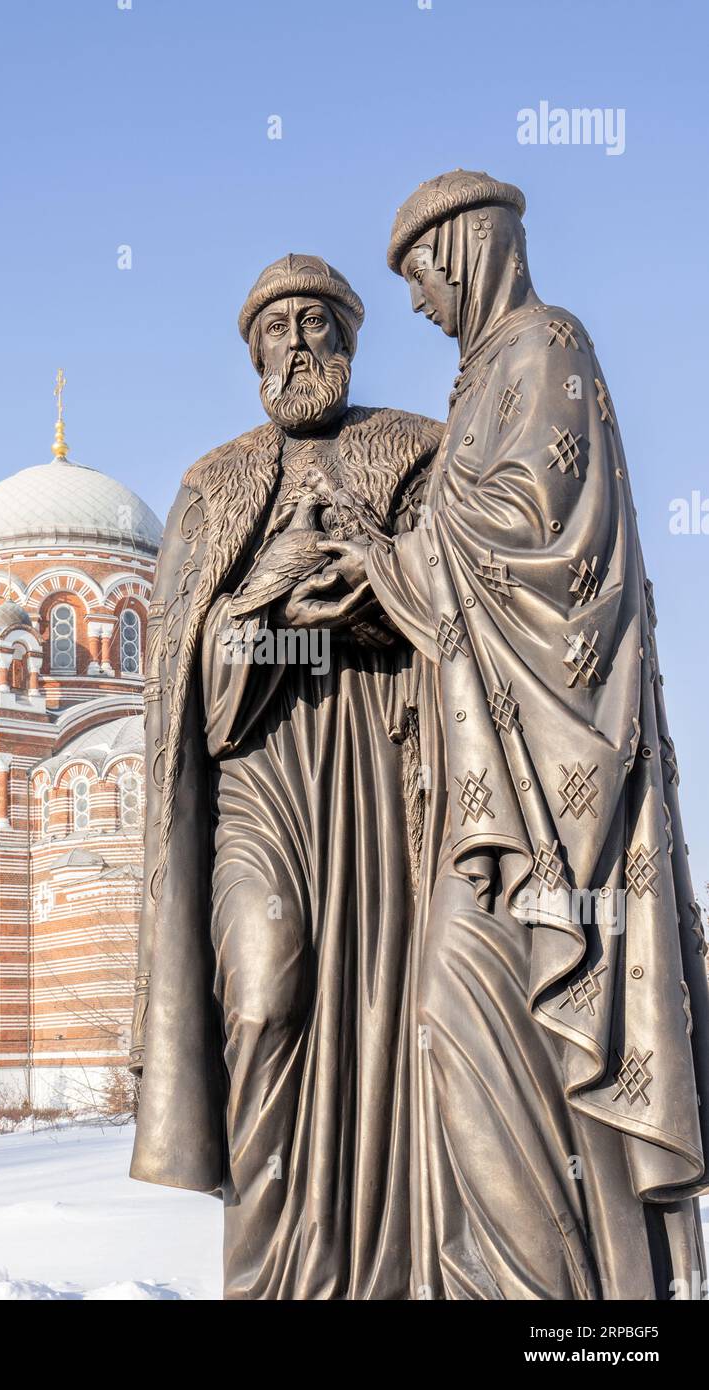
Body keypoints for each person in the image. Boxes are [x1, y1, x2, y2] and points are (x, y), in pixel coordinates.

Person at [323, 170, 709, 1298]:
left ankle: (579, 1302)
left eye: (416, 272)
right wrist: (375, 568)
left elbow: (539, 542)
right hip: (488, 788)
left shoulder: (544, 346)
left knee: (498, 1013)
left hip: (554, 791)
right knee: (462, 1024)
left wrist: (391, 556)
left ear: (465, 247)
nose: (410, 303)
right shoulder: (478, 381)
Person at [129, 253, 442, 1299]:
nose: (298, 343)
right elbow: (194, 689)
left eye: (318, 322)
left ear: (352, 338)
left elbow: (462, 617)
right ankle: (265, 1276)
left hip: (383, 778)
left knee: (386, 1025)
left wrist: (374, 590)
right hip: (261, 782)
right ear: (251, 352)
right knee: (262, 994)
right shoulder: (213, 487)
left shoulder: (414, 455)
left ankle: (380, 1271)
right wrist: (267, 602)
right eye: (276, 328)